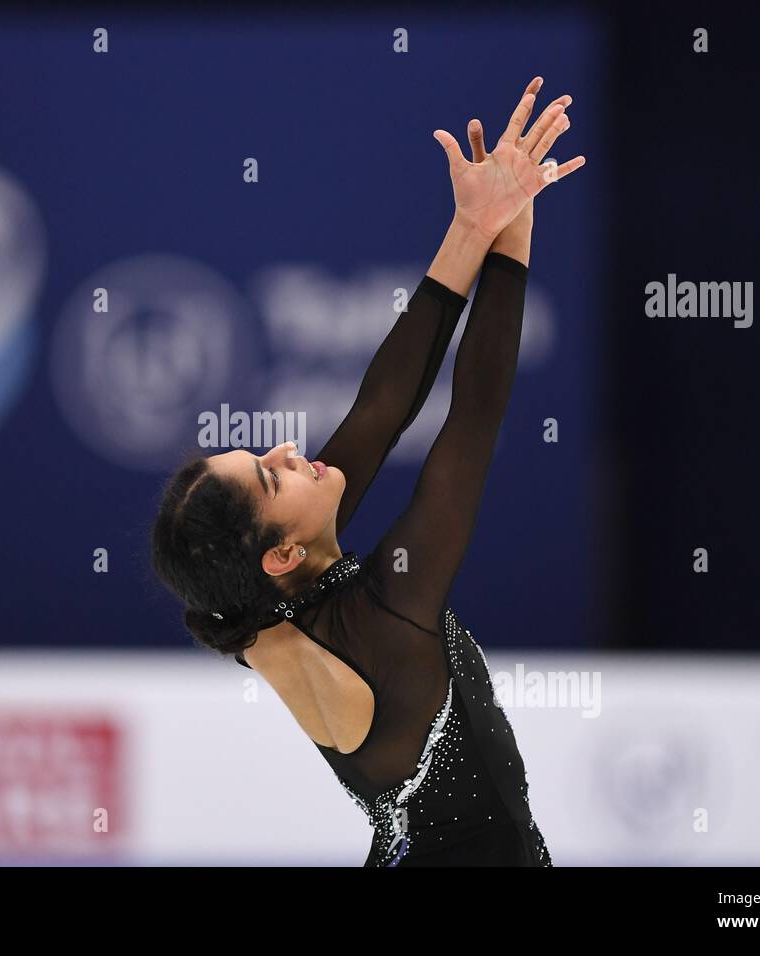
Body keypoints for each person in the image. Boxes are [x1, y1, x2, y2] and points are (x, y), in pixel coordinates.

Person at [151, 76, 585, 865]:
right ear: (278, 554)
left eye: (265, 455)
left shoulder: (265, 612)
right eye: (272, 477)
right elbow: (473, 418)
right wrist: (511, 232)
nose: (288, 452)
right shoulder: (384, 622)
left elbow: (383, 410)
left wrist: (470, 226)